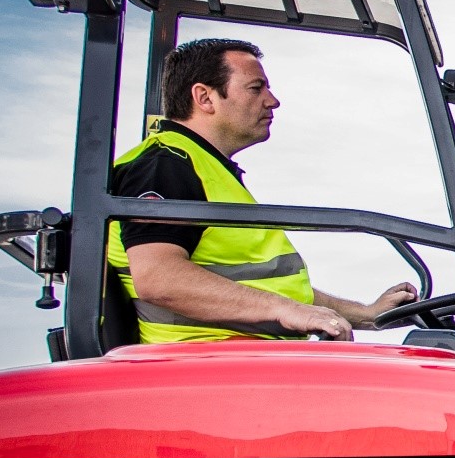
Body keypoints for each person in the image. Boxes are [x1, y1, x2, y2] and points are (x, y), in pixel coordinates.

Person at [107, 38, 418, 342]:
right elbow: (158, 278)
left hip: (239, 360)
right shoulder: (165, 166)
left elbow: (270, 287)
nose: (272, 100)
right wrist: (287, 310)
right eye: (256, 88)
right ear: (204, 98)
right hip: (208, 364)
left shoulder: (204, 168)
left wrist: (366, 314)